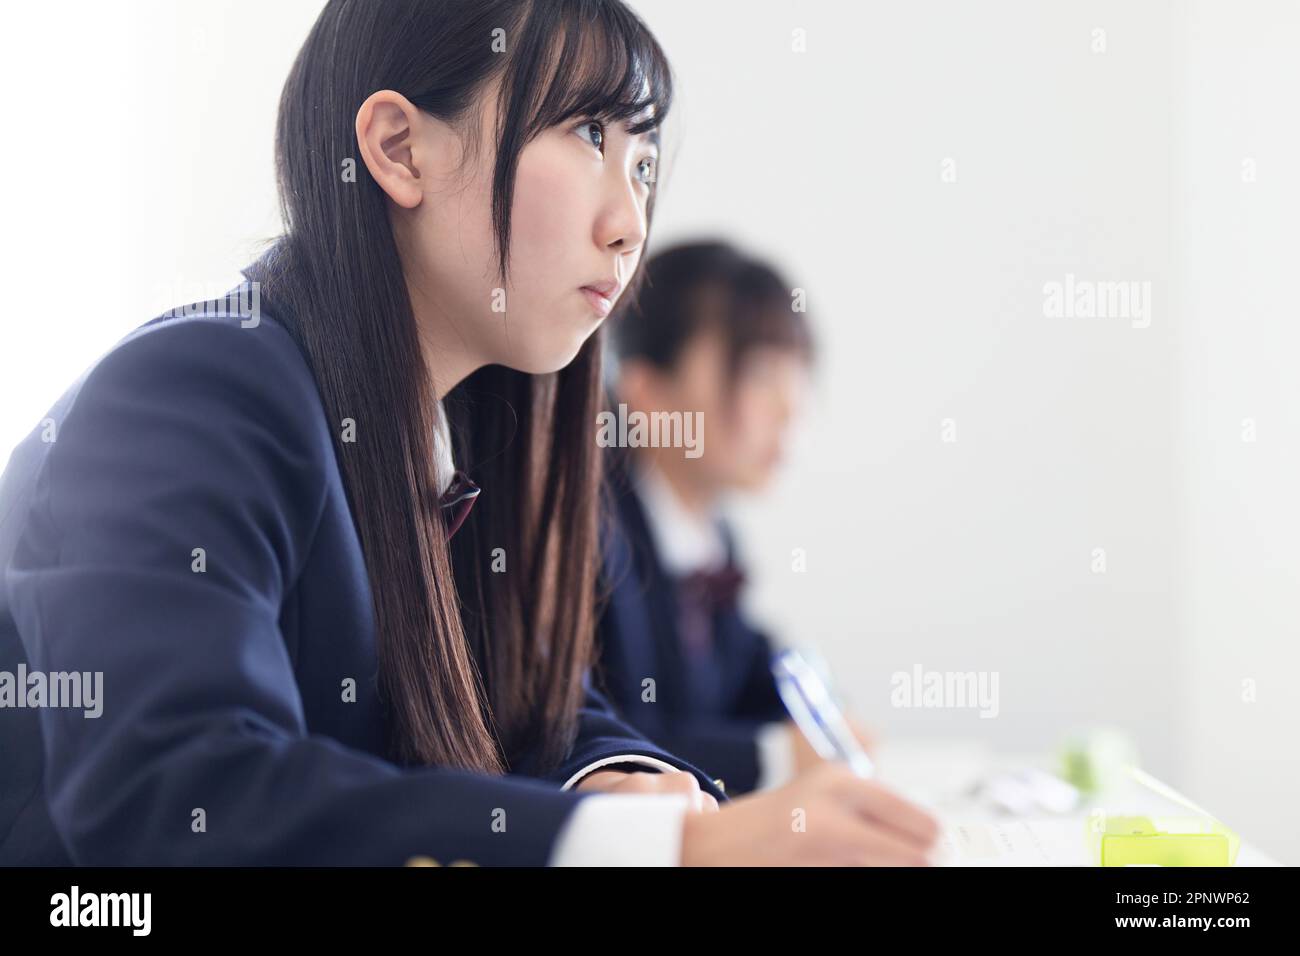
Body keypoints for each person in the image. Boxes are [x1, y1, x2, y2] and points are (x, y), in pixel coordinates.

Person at [0, 0, 938, 866]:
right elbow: (185, 798)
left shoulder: (466, 422)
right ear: (400, 148)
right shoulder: (197, 392)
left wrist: (614, 785)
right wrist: (666, 852)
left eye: (644, 165)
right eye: (588, 133)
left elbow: (544, 706)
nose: (630, 225)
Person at [597, 240, 877, 797]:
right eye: (759, 373)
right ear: (647, 392)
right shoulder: (592, 537)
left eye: (796, 373)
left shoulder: (710, 532)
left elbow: (754, 662)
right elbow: (615, 737)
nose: (791, 407)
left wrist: (819, 712)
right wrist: (773, 754)